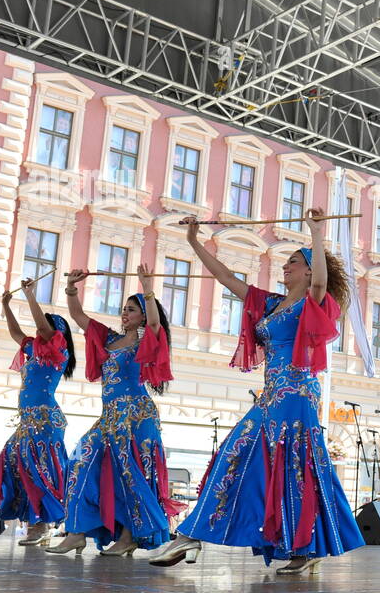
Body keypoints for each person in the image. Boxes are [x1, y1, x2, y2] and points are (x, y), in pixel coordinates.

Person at [148, 211, 365, 573]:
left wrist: (315, 234)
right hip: (270, 397)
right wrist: (193, 241)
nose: (286, 268)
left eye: (293, 263)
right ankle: (194, 535)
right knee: (237, 456)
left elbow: (320, 285)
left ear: (310, 269)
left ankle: (301, 547)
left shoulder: (312, 302)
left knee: (293, 467)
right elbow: (225, 277)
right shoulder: (270, 303)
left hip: (297, 396)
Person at [47, 265, 182, 555]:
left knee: (130, 475)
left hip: (136, 416)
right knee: (81, 461)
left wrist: (147, 289)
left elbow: (156, 324)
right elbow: (79, 317)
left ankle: (129, 536)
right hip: (109, 417)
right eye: (124, 309)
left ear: (143, 315)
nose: (125, 313)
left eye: (131, 310)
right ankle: (76, 531)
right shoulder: (109, 340)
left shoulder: (147, 339)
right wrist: (71, 287)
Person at [0, 277, 74, 546]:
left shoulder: (59, 351)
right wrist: (6, 305)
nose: (40, 332)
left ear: (56, 332)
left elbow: (40, 326)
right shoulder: (34, 350)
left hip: (44, 419)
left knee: (39, 469)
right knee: (13, 464)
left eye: (46, 327)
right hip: (29, 421)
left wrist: (31, 296)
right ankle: (36, 521)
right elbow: (16, 333)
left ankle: (42, 525)